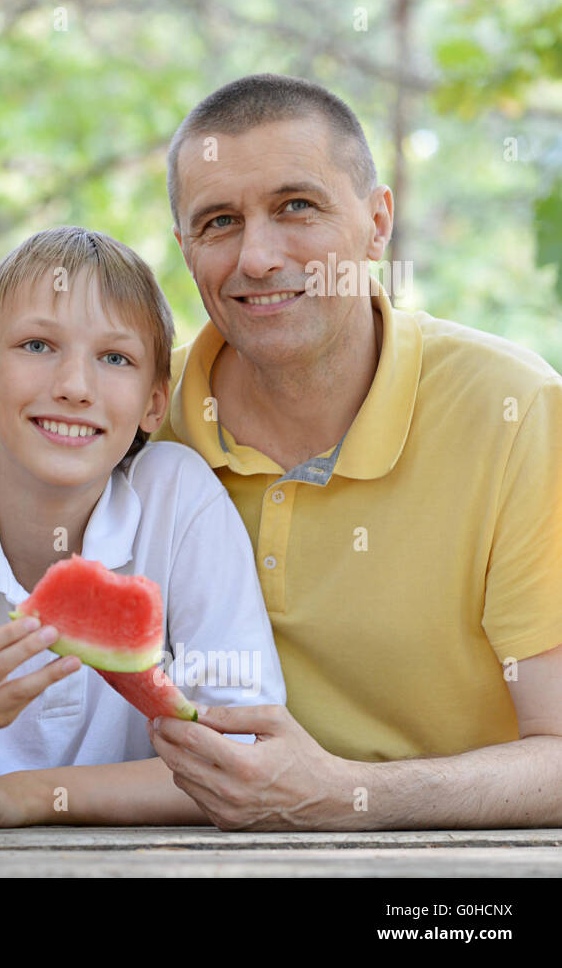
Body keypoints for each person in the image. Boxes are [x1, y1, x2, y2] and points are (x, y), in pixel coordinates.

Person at [147, 73, 562, 829]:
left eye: (296, 207)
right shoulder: (140, 415)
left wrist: (346, 794)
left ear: (378, 223)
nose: (259, 257)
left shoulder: (514, 409)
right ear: (186, 249)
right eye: (218, 222)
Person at [0, 227, 286, 828]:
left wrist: (26, 795)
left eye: (115, 358)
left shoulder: (178, 496)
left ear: (154, 405)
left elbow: (242, 757)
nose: (75, 387)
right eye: (36, 345)